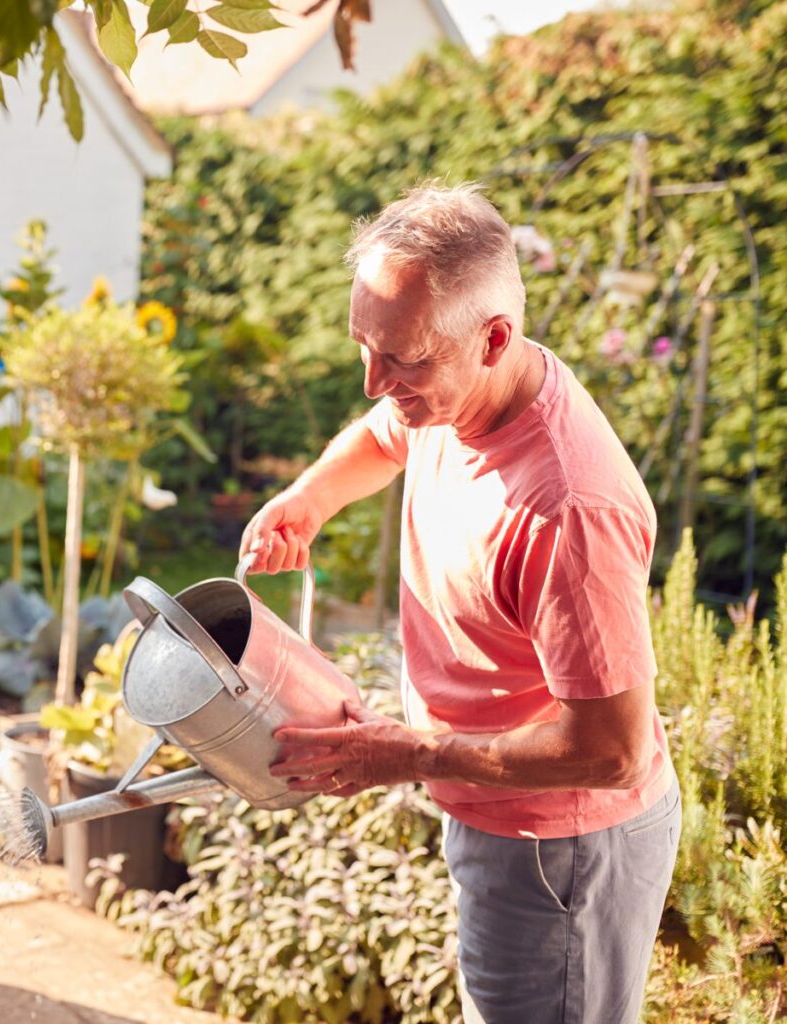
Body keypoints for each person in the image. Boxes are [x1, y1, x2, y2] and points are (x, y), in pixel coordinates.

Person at [241, 183, 680, 1024]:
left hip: (560, 852)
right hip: (504, 820)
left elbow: (613, 752)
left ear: (494, 338)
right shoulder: (459, 387)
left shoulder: (570, 510)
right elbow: (387, 434)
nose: (374, 382)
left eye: (402, 360)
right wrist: (310, 498)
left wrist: (409, 754)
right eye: (364, 346)